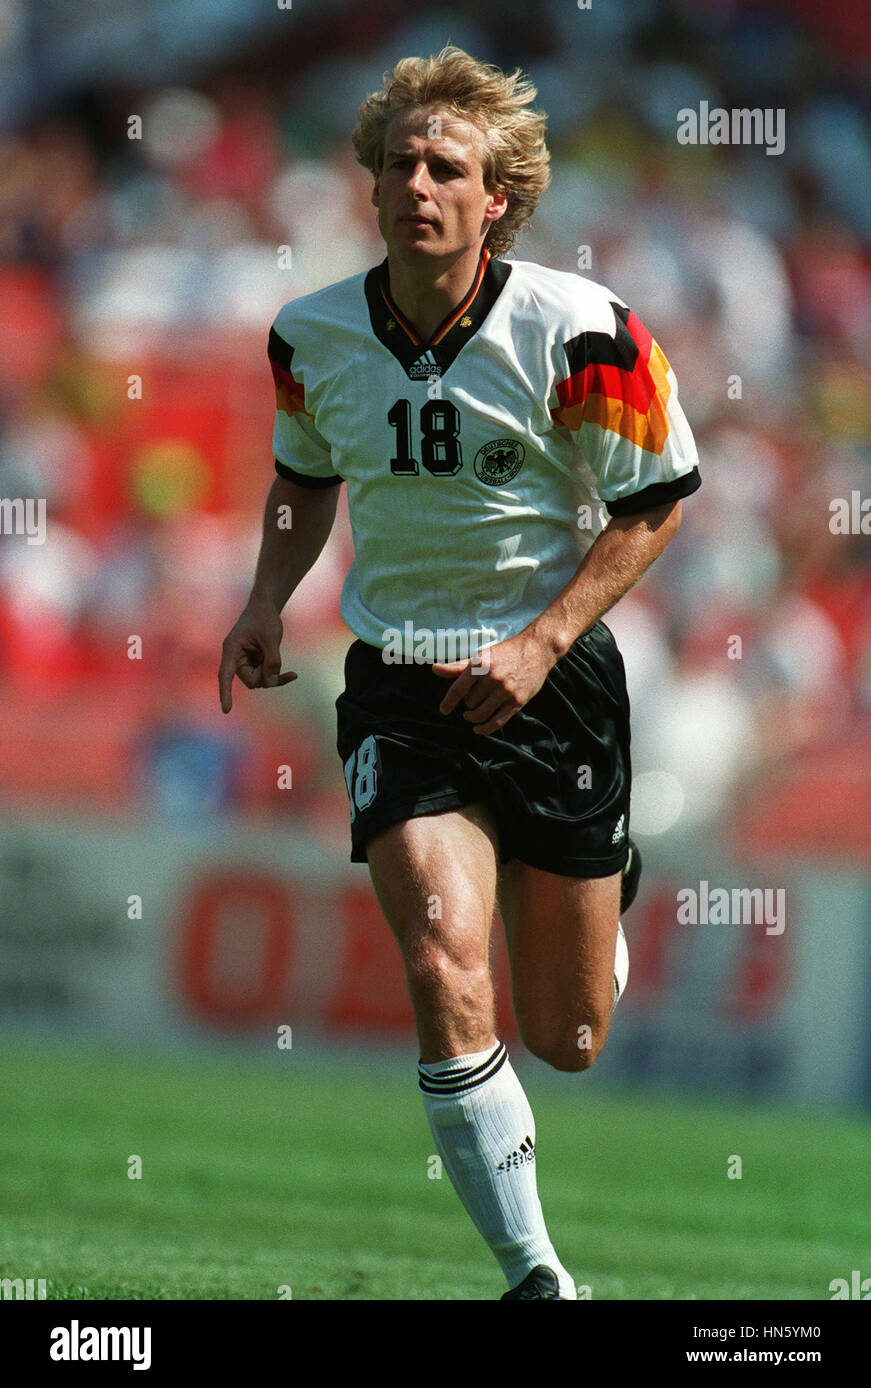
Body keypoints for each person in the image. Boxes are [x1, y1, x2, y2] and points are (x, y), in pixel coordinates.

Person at [219, 46, 700, 1300]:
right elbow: (303, 477)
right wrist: (266, 600)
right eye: (399, 163)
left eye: (448, 167)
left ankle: (598, 923)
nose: (418, 183)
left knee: (570, 1035)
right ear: (370, 187)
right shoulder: (309, 333)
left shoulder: (581, 328)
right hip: (399, 684)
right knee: (441, 961)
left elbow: (655, 505)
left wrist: (538, 646)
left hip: (554, 685)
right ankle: (536, 1273)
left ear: (498, 199)